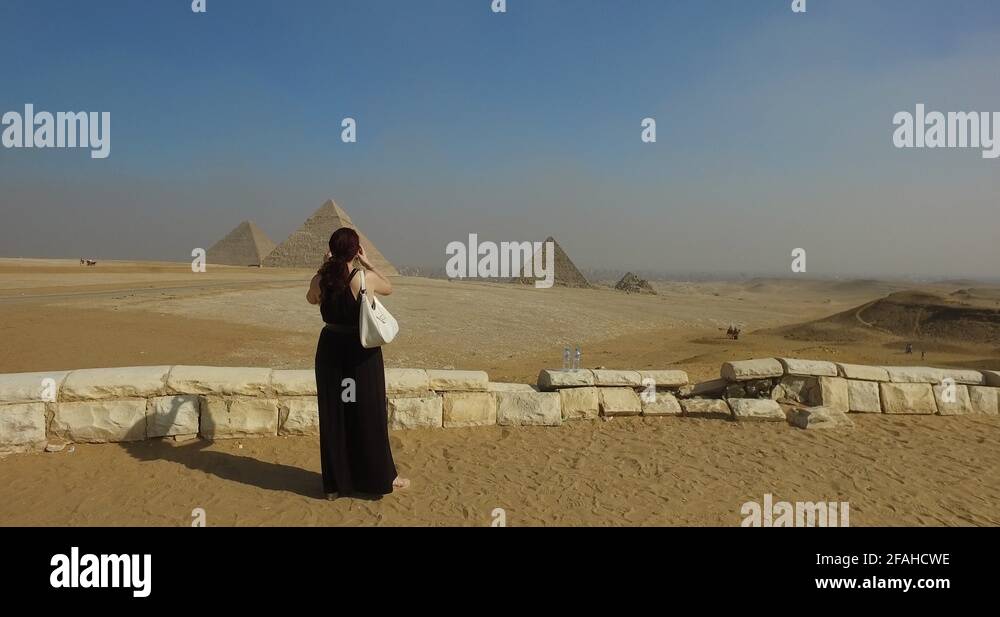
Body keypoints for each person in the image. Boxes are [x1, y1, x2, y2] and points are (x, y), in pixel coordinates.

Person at [307, 228, 409, 499]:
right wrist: (369, 263)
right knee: (368, 413)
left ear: (331, 250)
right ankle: (377, 479)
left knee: (335, 414)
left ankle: (335, 485)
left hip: (330, 351)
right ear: (356, 251)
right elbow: (390, 287)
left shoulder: (320, 280)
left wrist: (326, 266)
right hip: (360, 352)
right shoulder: (363, 279)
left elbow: (310, 299)